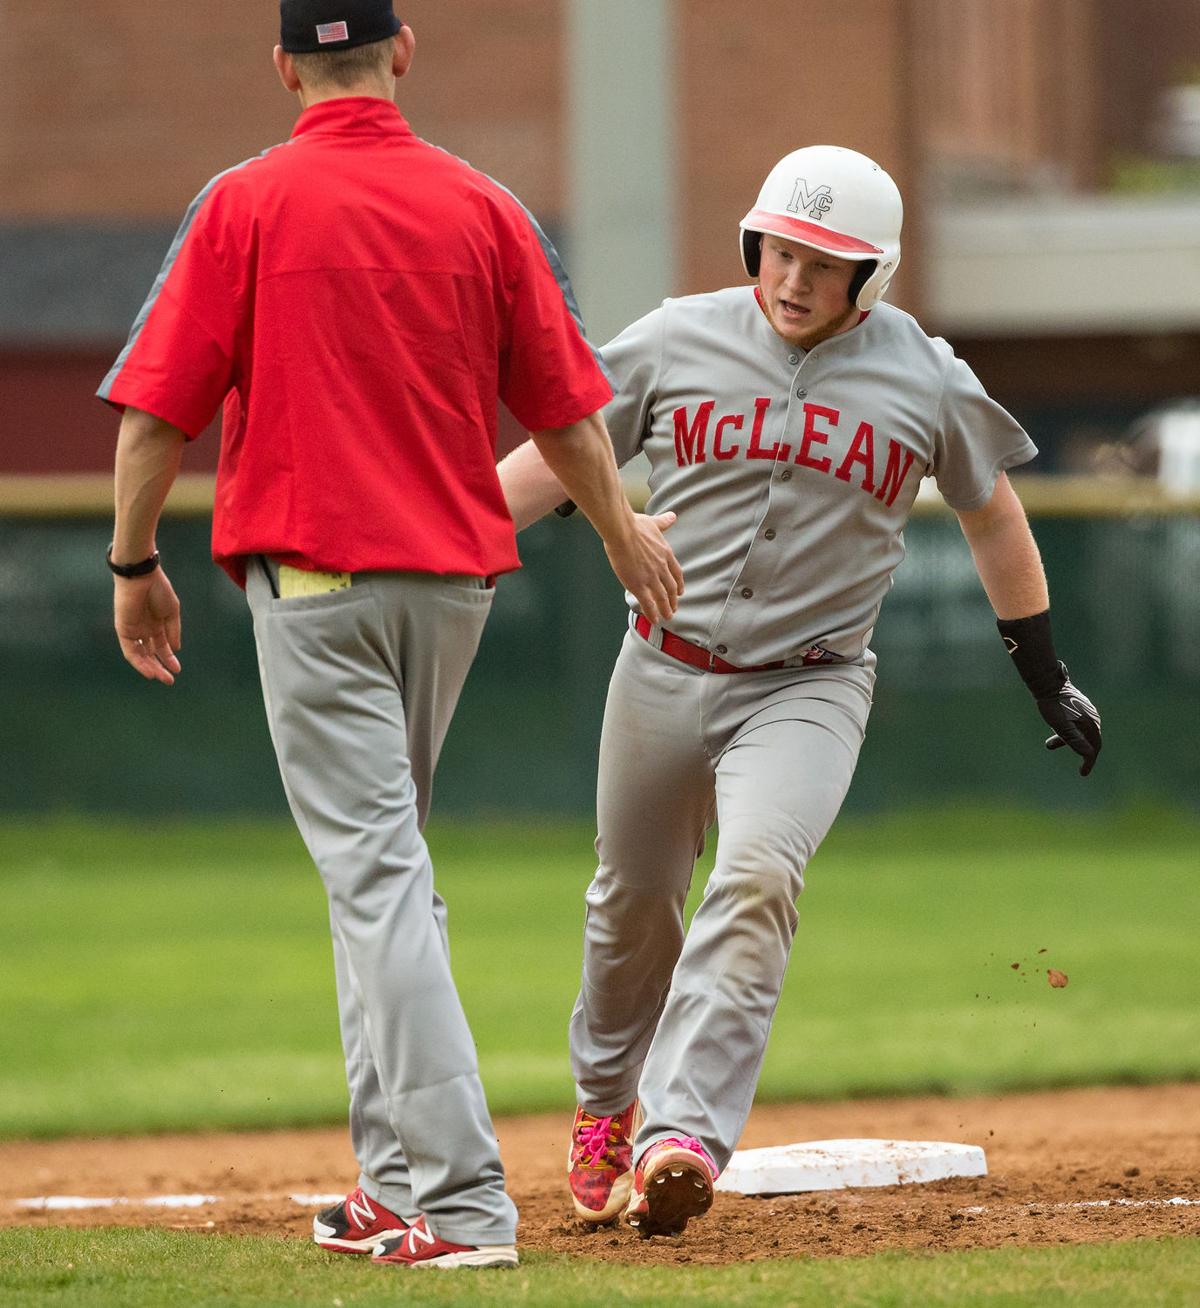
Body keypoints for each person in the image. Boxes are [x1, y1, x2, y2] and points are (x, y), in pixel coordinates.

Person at [99, 0, 681, 1271]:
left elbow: (154, 415)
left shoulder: (245, 202)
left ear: (284, 66)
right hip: (453, 590)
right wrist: (624, 535)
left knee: (377, 884)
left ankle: (465, 1208)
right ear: (402, 53)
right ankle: (389, 1178)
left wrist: (135, 561)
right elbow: (569, 407)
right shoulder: (483, 206)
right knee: (386, 876)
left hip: (315, 585)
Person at [498, 144, 1101, 1239]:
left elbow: (992, 511)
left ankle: (682, 1135)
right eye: (780, 250)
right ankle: (603, 1107)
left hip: (807, 689)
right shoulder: (681, 334)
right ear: (753, 245)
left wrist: (1043, 666)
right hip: (663, 665)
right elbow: (564, 448)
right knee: (631, 906)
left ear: (872, 275)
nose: (793, 278)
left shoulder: (923, 374)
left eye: (825, 263)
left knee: (760, 874)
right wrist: (443, 545)